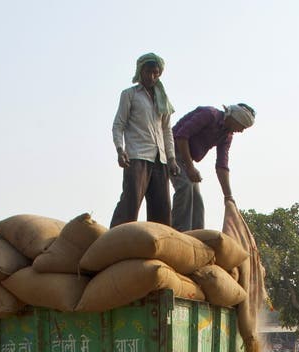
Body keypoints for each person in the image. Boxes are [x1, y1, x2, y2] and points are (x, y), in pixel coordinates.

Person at [110, 53, 179, 228]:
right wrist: (120, 150)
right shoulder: (130, 94)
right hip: (137, 156)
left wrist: (171, 158)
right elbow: (118, 125)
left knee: (162, 210)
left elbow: (167, 131)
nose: (152, 76)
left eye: (156, 73)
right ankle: (115, 238)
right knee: (130, 203)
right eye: (148, 72)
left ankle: (160, 242)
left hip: (160, 159)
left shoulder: (163, 100)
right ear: (140, 71)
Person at [170, 103, 256, 232]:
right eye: (242, 126)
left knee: (197, 199)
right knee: (185, 187)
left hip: (186, 158)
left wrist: (228, 197)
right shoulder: (209, 115)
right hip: (170, 151)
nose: (241, 131)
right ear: (236, 118)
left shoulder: (227, 136)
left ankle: (197, 234)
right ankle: (179, 232)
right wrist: (190, 167)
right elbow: (181, 136)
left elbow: (222, 166)